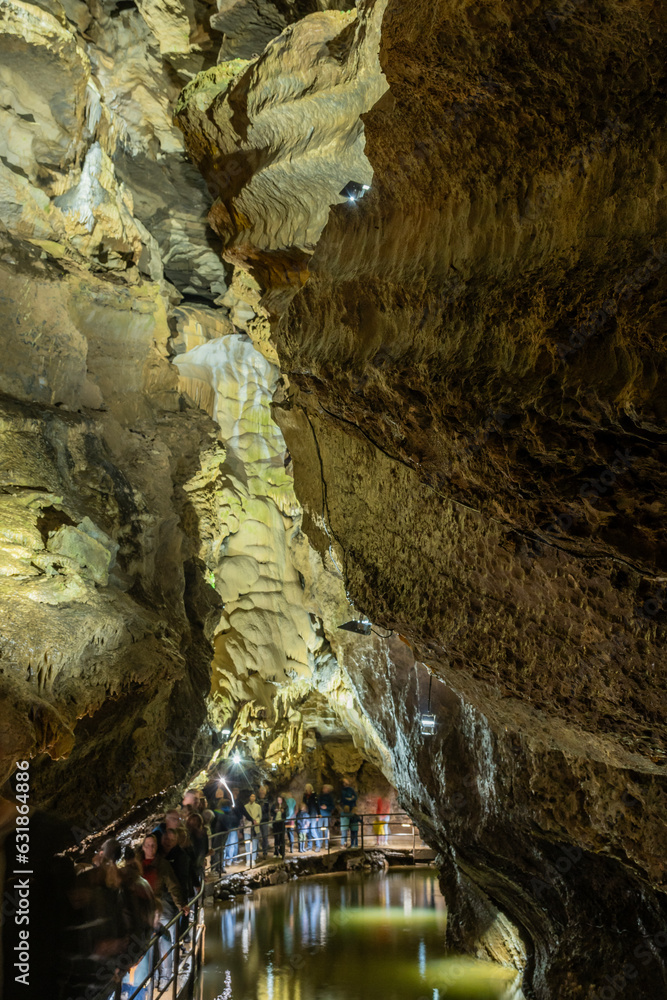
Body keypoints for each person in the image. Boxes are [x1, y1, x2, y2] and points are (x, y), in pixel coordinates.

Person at [244, 792, 262, 863]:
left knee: (254, 843)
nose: (253, 798)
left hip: (255, 827)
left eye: (254, 796)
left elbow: (259, 816)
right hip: (247, 827)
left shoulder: (258, 806)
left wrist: (256, 821)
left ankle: (253, 858)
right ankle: (248, 859)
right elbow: (244, 817)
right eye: (251, 796)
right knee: (247, 843)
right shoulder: (245, 807)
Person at [302, 784, 320, 851]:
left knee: (313, 830)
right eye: (306, 788)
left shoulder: (314, 795)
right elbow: (304, 804)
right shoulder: (305, 796)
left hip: (313, 814)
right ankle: (309, 846)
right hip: (307, 814)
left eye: (308, 788)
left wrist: (318, 814)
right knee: (308, 830)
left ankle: (318, 845)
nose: (307, 789)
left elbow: (317, 805)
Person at [318, 784, 335, 849]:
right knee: (319, 829)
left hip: (327, 814)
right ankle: (320, 843)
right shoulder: (320, 796)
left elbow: (332, 806)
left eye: (325, 788)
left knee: (326, 829)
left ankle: (326, 844)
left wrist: (327, 807)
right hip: (320, 814)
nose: (324, 789)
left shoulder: (330, 797)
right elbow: (317, 804)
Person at [257, 785, 272, 859]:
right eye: (261, 792)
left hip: (264, 820)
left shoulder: (267, 801)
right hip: (258, 820)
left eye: (263, 792)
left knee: (265, 837)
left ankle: (265, 852)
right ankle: (256, 853)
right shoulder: (256, 801)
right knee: (256, 836)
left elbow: (267, 810)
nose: (262, 793)